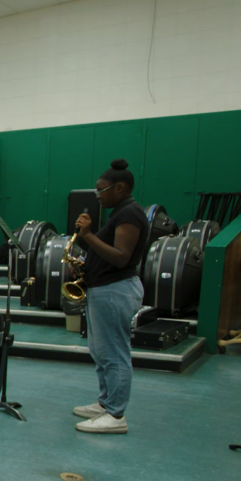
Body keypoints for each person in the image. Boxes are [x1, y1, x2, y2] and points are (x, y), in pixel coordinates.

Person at [71, 159, 149, 435]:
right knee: (101, 351)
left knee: (115, 353)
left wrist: (89, 235)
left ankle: (116, 415)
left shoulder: (130, 214)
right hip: (103, 289)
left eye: (101, 190)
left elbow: (120, 257)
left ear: (119, 188)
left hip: (116, 290)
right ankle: (106, 403)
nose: (97, 195)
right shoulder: (119, 211)